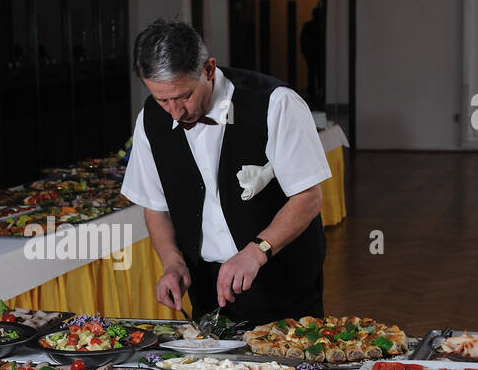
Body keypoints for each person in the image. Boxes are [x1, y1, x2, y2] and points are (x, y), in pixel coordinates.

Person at [120, 19, 330, 323]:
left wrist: (256, 252)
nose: (175, 112)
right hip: (206, 288)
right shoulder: (150, 119)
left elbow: (308, 197)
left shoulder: (275, 102)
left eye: (184, 96)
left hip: (281, 280)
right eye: (162, 99)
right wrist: (172, 263)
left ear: (208, 69)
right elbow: (155, 207)